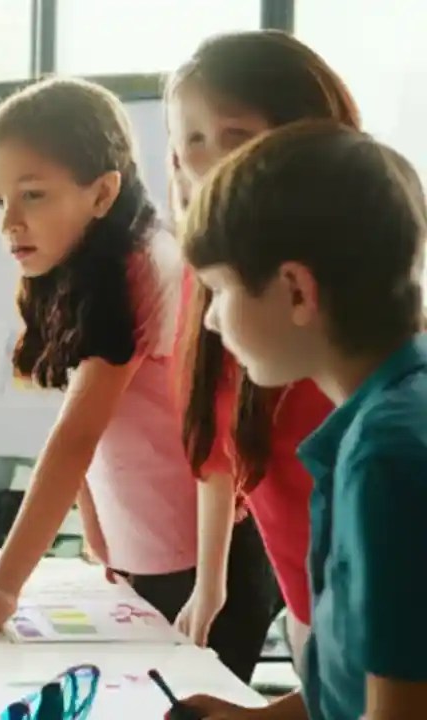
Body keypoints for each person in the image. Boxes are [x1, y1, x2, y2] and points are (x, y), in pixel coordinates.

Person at [0, 77, 269, 681]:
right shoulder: (87, 261)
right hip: (145, 556)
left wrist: (3, 588)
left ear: (102, 193)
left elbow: (76, 437)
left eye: (33, 195)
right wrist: (100, 540)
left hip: (201, 565)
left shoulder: (142, 264)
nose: (9, 221)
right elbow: (98, 426)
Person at [175, 120, 427, 720]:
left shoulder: (385, 456)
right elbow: (368, 682)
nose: (210, 322)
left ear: (295, 292)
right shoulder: (388, 420)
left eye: (219, 291)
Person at [167, 30, 360, 667]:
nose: (209, 160)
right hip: (312, 612)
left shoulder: (326, 310)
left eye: (234, 135)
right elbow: (218, 443)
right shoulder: (222, 293)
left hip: (364, 607)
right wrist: (210, 582)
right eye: (191, 139)